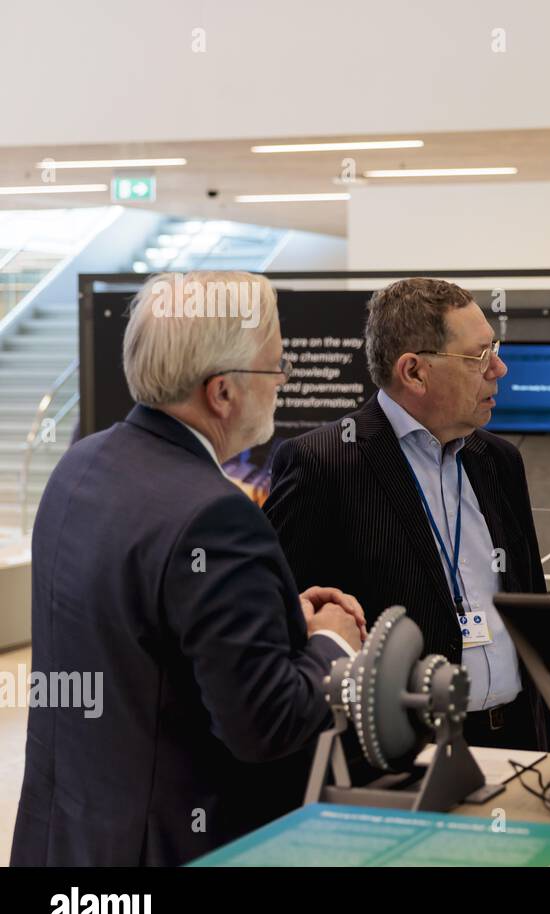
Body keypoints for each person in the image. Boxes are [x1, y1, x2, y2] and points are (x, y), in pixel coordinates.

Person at [11, 271, 365, 866]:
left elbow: (146, 640)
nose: (282, 381)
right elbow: (264, 725)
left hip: (70, 841)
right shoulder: (214, 517)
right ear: (222, 392)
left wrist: (277, 622)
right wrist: (333, 642)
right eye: (275, 367)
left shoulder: (80, 466)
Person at [264, 278, 550, 752]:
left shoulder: (499, 461)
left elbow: (532, 606)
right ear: (414, 372)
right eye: (479, 356)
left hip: (518, 739)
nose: (499, 368)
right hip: (401, 753)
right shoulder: (324, 464)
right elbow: (285, 620)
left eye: (495, 350)